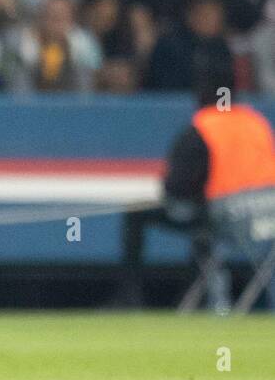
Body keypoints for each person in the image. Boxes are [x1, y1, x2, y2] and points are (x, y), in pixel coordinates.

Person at [116, 65, 275, 307]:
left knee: (145, 215)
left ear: (201, 95)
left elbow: (176, 188)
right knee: (202, 225)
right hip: (267, 218)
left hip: (226, 220)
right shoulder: (257, 123)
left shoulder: (203, 127)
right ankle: (196, 297)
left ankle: (130, 299)